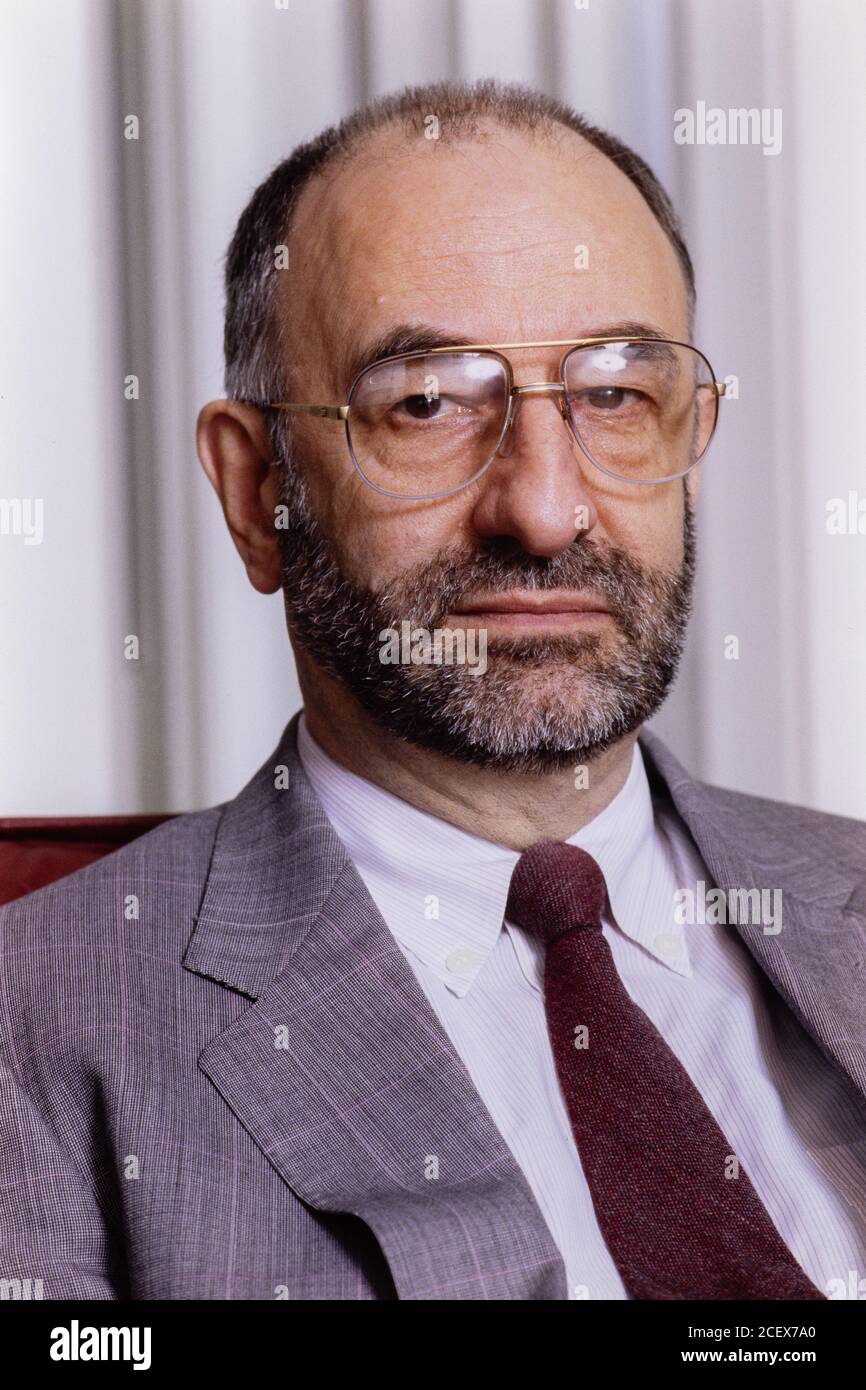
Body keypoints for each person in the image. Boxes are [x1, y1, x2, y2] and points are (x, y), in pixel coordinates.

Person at [2, 79, 864, 1301]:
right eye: (425, 404)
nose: (545, 507)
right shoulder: (31, 1028)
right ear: (259, 493)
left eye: (614, 392)